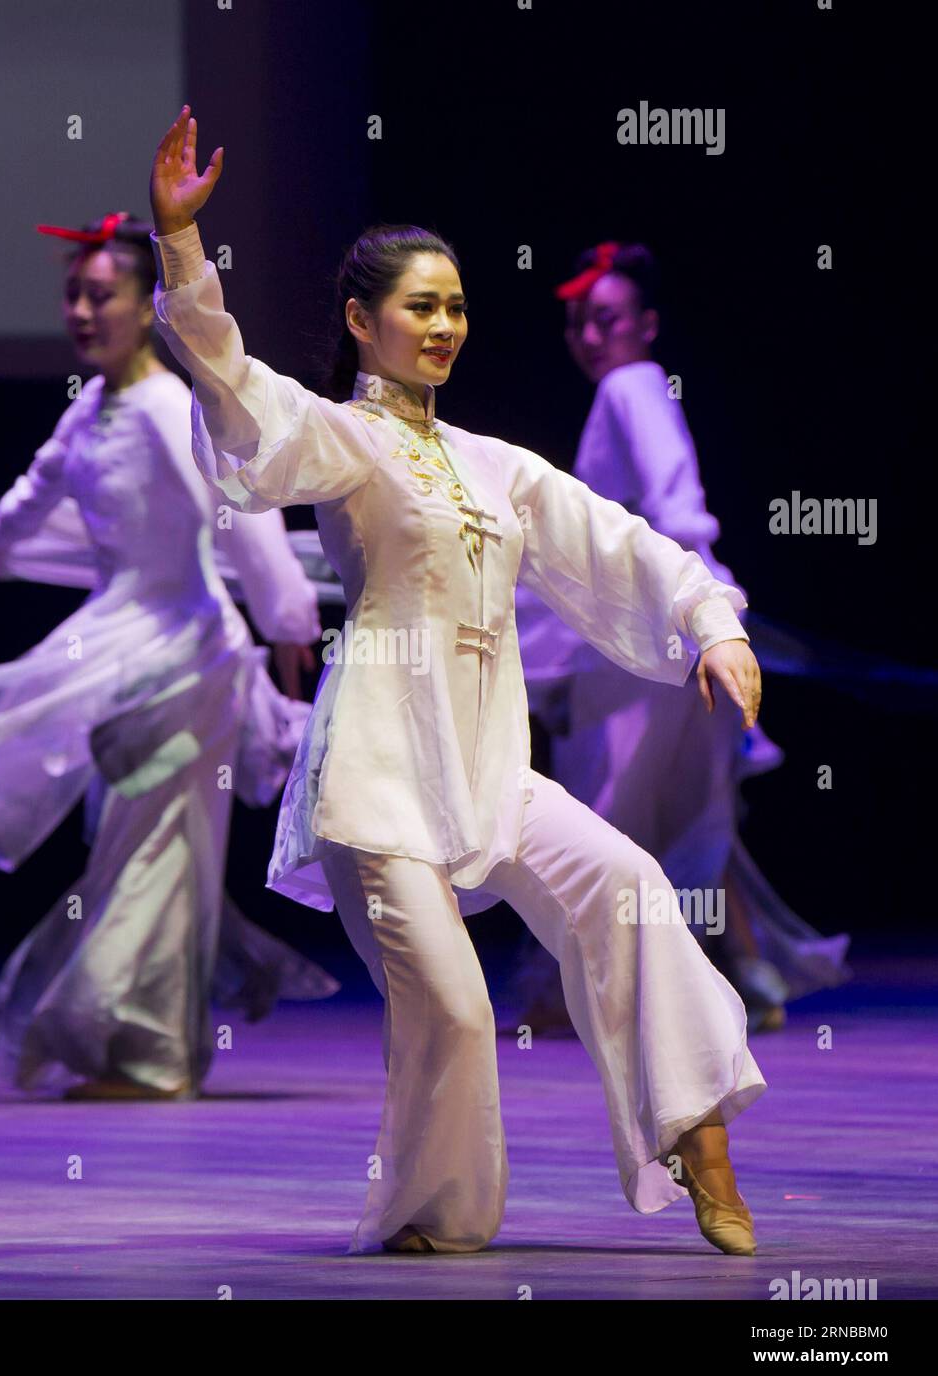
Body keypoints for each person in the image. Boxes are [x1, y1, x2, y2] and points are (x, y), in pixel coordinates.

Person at [147, 106, 767, 1256]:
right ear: (361, 321)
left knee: (628, 883)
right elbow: (240, 391)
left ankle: (695, 1124)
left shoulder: (497, 465)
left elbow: (619, 539)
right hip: (379, 780)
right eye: (421, 306)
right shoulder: (347, 439)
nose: (445, 325)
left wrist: (708, 621)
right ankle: (437, 1211)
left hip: (485, 764)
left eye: (458, 306)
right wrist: (183, 249)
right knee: (458, 1006)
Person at [0, 210, 337, 1102]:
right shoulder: (92, 409)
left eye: (102, 295)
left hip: (189, 655)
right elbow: (20, 514)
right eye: (73, 297)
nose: (83, 312)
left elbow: (239, 515)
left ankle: (149, 1052)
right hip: (129, 647)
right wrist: (14, 551)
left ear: (143, 305)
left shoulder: (169, 407)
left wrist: (284, 623)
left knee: (158, 844)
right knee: (144, 844)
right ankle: (141, 1042)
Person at [513, 243, 850, 1036]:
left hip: (649, 638)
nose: (589, 337)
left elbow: (677, 508)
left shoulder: (631, 386)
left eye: (605, 320)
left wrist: (692, 607)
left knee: (614, 812)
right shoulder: (629, 391)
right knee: (682, 809)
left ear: (645, 326)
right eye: (576, 323)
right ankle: (746, 975)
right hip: (653, 630)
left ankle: (604, 995)